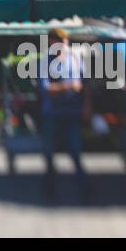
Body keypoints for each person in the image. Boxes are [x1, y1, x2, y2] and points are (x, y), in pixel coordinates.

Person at [40, 28, 88, 200]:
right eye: (59, 40)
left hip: (72, 112)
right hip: (52, 113)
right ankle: (49, 190)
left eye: (65, 40)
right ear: (51, 42)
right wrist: (68, 86)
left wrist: (87, 106)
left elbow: (85, 85)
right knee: (50, 152)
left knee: (75, 150)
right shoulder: (45, 62)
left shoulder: (75, 59)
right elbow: (46, 89)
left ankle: (84, 188)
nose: (63, 43)